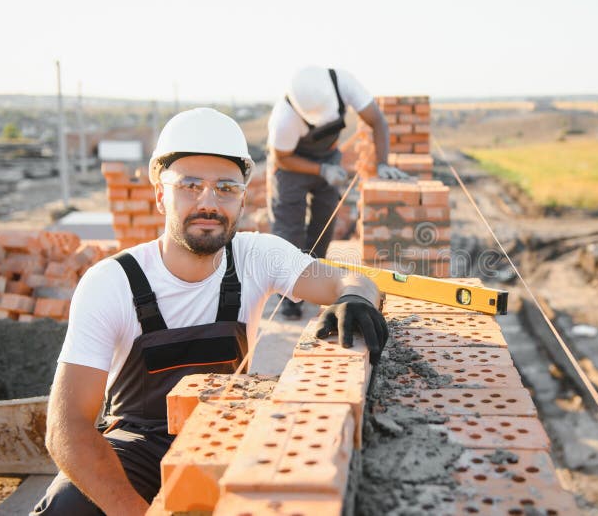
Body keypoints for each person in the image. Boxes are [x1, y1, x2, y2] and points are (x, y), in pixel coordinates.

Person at [33, 108, 389, 515]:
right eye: (190, 185)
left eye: (225, 188)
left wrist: (355, 299)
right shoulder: (111, 283)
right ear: (160, 194)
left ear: (241, 198)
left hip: (235, 428)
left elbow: (348, 280)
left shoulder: (256, 256)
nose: (208, 202)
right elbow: (66, 430)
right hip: (138, 444)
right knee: (68, 506)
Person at [267, 66, 407, 320]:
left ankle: (312, 279)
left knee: (325, 220)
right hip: (291, 166)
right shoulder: (283, 118)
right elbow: (282, 158)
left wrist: (383, 163)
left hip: (329, 158)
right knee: (289, 229)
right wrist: (320, 170)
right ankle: (288, 296)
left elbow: (377, 121)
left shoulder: (344, 84)